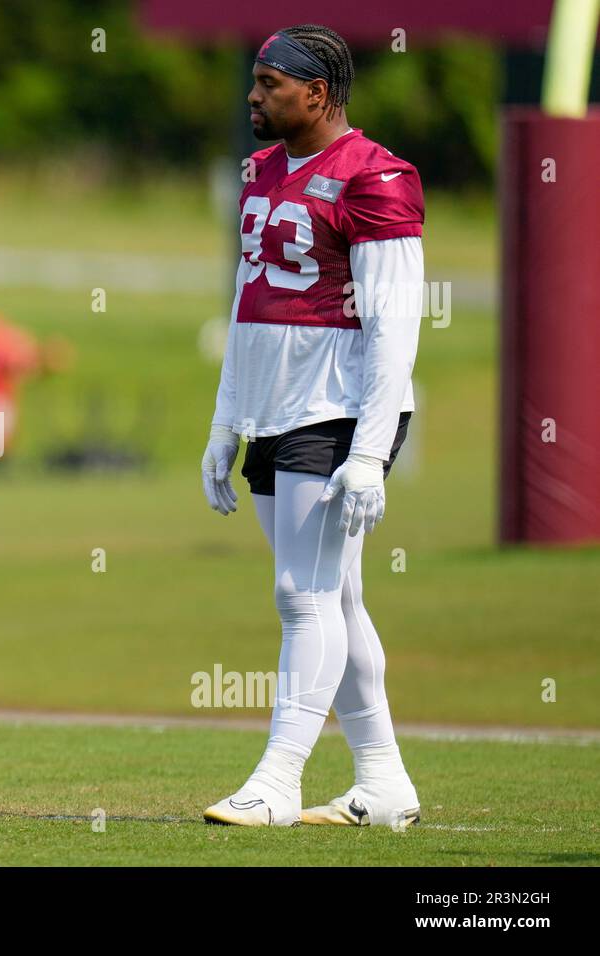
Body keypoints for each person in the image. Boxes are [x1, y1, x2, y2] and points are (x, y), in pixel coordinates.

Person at [200, 25, 424, 828]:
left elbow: (396, 325)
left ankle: (278, 780)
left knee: (304, 595)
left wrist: (369, 451)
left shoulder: (375, 176)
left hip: (335, 407)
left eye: (270, 83)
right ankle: (385, 782)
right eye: (255, 81)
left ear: (318, 94)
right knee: (339, 597)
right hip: (273, 405)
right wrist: (227, 419)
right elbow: (247, 297)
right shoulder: (260, 171)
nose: (254, 96)